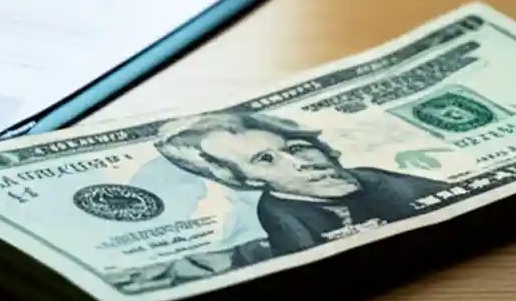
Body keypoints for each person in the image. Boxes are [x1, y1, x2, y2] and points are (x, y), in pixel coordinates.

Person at [154, 108, 446, 257]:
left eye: (296, 148)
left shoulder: (371, 178)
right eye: (264, 159)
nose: (302, 163)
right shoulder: (280, 217)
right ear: (244, 179)